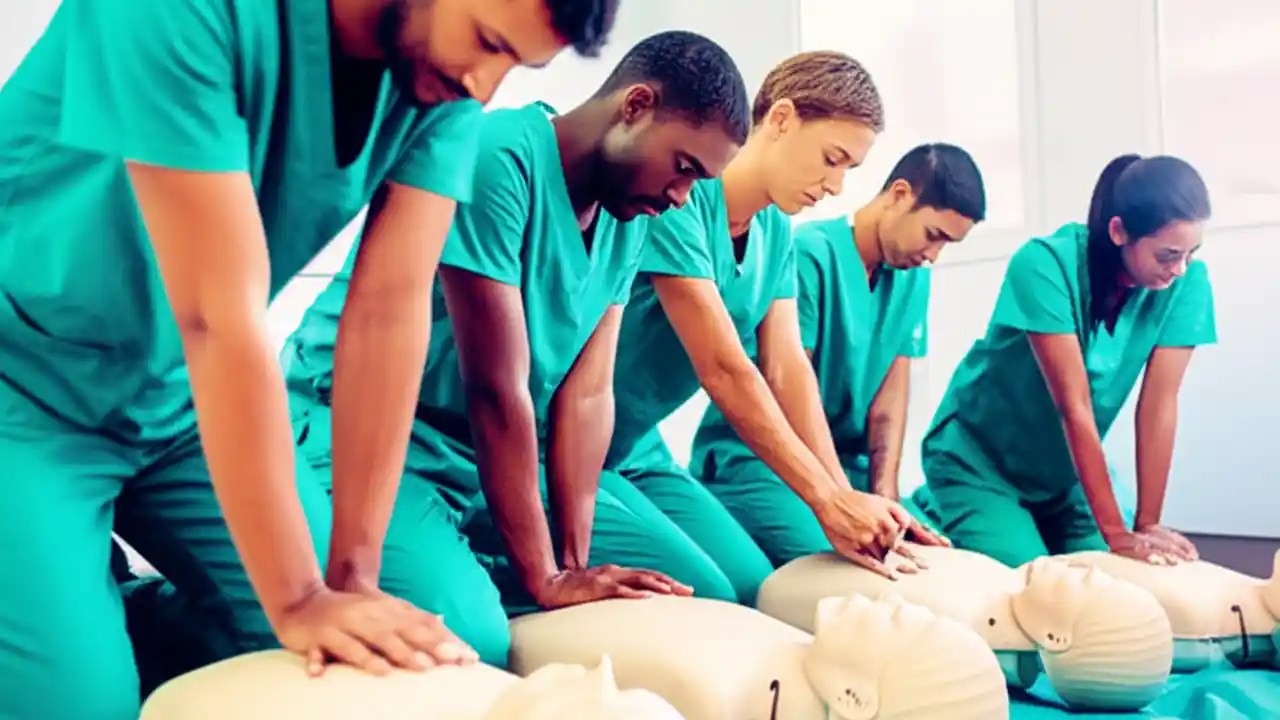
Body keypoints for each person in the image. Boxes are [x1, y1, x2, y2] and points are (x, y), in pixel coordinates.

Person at [0, 0, 619, 716]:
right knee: (80, 702)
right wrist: (298, 598)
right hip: (24, 393)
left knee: (378, 653)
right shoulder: (178, 13)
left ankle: (130, 615)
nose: (485, 85)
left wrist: (350, 577)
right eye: (486, 43)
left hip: (176, 402)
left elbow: (389, 309)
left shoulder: (439, 80)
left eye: (515, 63)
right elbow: (216, 318)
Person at [282, 30, 749, 668]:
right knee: (471, 637)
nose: (681, 198)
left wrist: (572, 565)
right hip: (379, 431)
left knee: (700, 593)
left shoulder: (628, 213)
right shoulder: (498, 156)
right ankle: (181, 610)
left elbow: (589, 394)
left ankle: (475, 564)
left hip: (492, 457)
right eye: (685, 168)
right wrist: (544, 577)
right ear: (636, 105)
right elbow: (496, 390)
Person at [601, 51, 946, 608]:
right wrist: (822, 500)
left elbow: (788, 368)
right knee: (711, 593)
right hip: (576, 439)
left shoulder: (775, 233)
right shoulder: (684, 197)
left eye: (848, 171)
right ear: (781, 120)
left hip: (641, 447)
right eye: (831, 160)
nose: (835, 186)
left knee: (752, 583)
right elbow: (724, 367)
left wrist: (843, 494)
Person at [689, 143, 986, 567]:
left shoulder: (911, 278)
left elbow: (889, 399)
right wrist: (837, 497)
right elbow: (786, 379)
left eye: (946, 245)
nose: (932, 255)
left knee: (937, 561)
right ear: (899, 194)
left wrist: (885, 492)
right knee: (861, 564)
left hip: (846, 467)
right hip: (763, 461)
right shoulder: (811, 253)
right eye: (933, 235)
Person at [914, 154, 1215, 569]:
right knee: (1039, 587)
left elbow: (1159, 404)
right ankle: (935, 503)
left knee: (1120, 578)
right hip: (979, 461)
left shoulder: (1187, 283)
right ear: (1119, 232)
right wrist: (1115, 535)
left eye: (1191, 253)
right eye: (1167, 256)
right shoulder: (1044, 265)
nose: (1179, 269)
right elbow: (1072, 407)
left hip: (1063, 474)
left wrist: (1146, 525)